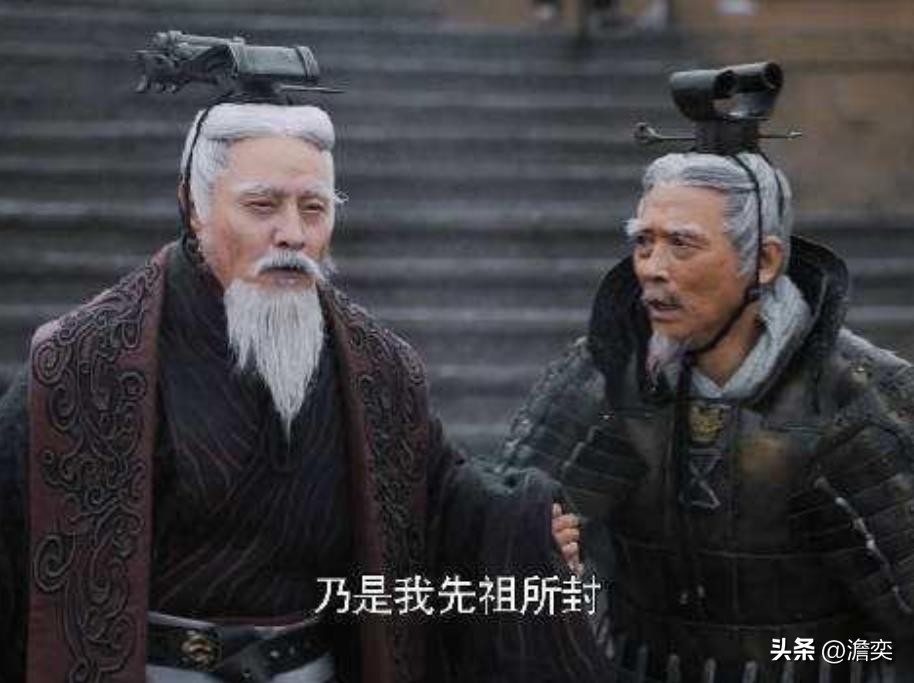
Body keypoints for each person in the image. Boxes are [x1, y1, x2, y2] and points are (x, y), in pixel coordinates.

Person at [0, 103, 599, 683]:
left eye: (314, 209)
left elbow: (437, 498)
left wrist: (524, 532)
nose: (292, 234)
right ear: (194, 207)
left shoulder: (377, 366)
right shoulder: (87, 362)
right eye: (262, 205)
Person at [499, 151, 914, 681]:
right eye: (643, 242)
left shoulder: (855, 396)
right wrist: (544, 549)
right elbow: (505, 546)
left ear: (764, 261)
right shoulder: (602, 376)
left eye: (682, 244)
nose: (652, 268)